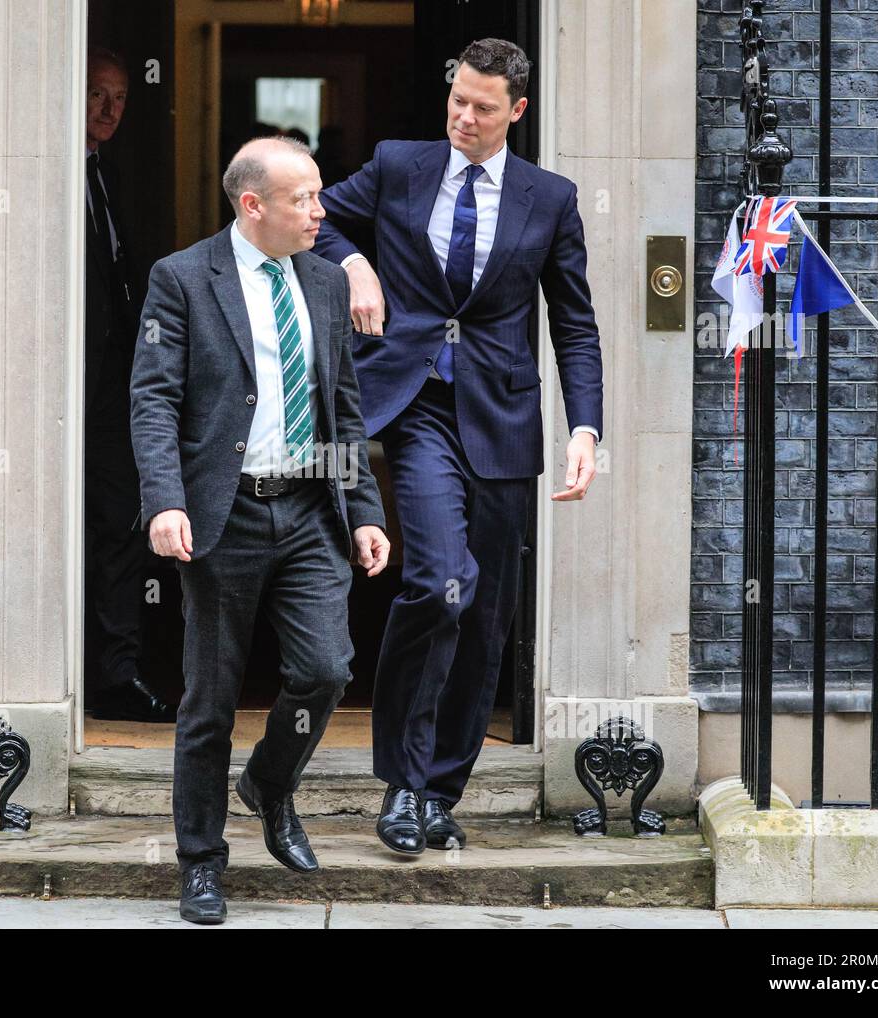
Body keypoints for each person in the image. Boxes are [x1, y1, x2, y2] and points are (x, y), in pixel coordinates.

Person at [312, 38, 605, 855]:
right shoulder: (399, 165)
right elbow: (317, 217)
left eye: (482, 107)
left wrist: (586, 428)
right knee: (440, 584)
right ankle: (402, 785)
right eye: (457, 101)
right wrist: (359, 266)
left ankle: (442, 791)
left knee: (486, 617)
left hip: (504, 420)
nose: (464, 118)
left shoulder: (550, 199)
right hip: (417, 406)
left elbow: (574, 325)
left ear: (516, 110)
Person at [130, 137, 390, 924]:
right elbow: (153, 400)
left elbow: (344, 408)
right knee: (209, 700)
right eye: (304, 199)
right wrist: (164, 500)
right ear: (253, 206)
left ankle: (271, 783)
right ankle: (202, 862)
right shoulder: (180, 279)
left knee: (327, 669)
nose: (321, 212)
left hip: (311, 509)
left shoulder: (322, 281)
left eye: (319, 197)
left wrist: (366, 511)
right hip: (224, 512)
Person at [84, 44, 174, 723]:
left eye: (121, 97)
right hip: (67, 380)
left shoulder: (108, 175)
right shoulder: (56, 176)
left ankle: (117, 673)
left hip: (116, 384)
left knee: (122, 522)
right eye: (97, 94)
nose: (111, 109)